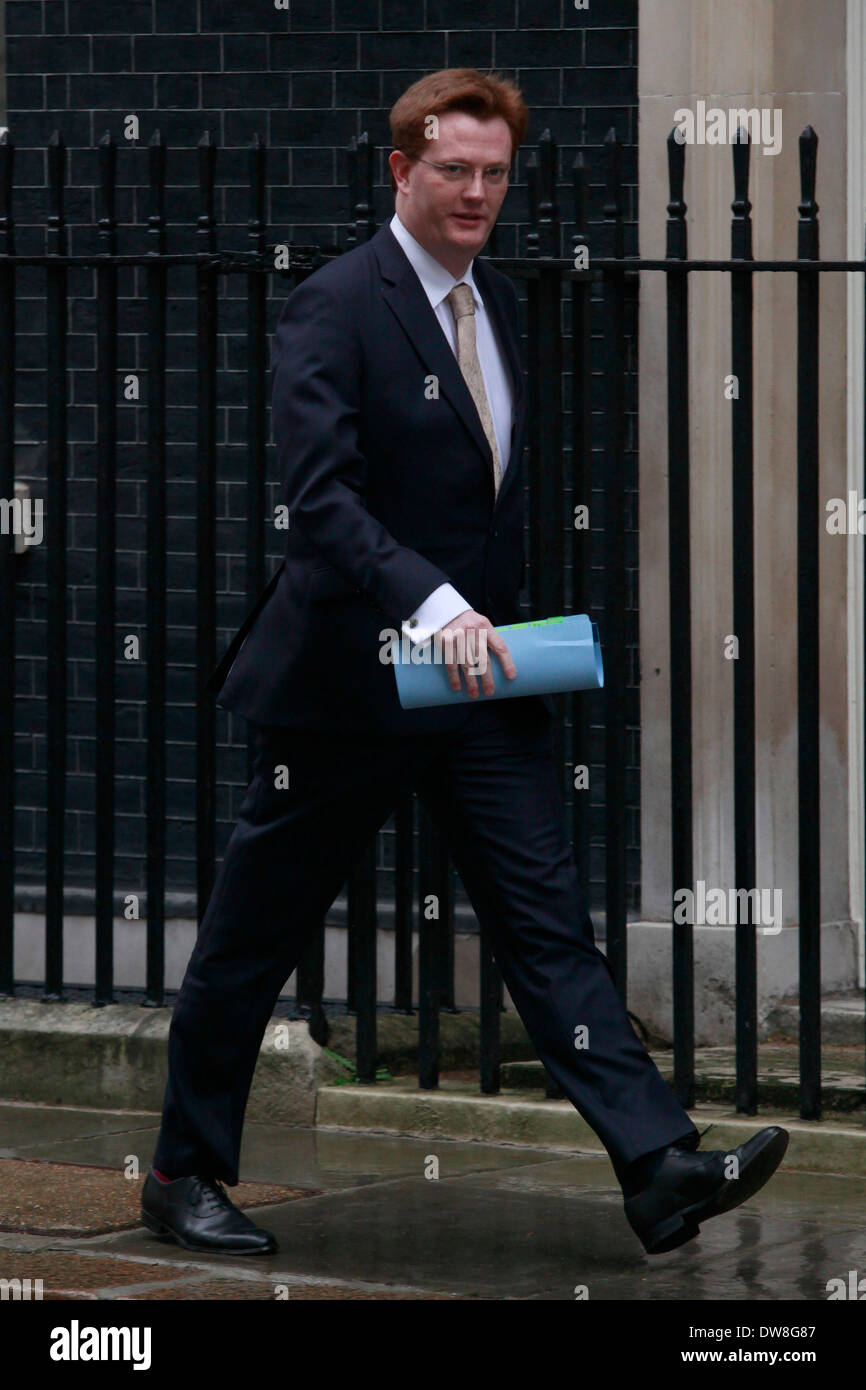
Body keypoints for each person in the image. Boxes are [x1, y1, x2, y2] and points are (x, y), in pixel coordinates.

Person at [141, 67, 788, 1260]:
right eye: (453, 169)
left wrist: (487, 628)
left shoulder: (493, 308)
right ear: (402, 170)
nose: (476, 191)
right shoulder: (338, 304)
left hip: (477, 686)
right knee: (253, 932)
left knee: (544, 918)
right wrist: (434, 605)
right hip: (346, 686)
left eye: (493, 172)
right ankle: (182, 1170)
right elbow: (319, 504)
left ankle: (654, 1164)